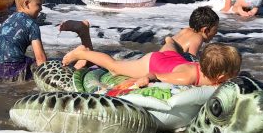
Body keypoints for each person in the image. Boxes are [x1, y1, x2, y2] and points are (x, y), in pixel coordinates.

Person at [62, 42, 240, 89]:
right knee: (114, 67)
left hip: (174, 58)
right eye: (235, 71)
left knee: (170, 48)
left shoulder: (215, 76)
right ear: (221, 77)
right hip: (155, 62)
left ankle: (170, 41)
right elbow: (156, 75)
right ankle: (81, 52)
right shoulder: (187, 77)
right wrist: (143, 79)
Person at [0, 0, 47, 82]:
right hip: (13, 70)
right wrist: (47, 78)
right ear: (27, 4)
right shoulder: (32, 24)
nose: (41, 9)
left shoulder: (7, 21)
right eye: (39, 5)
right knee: (37, 64)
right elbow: (40, 58)